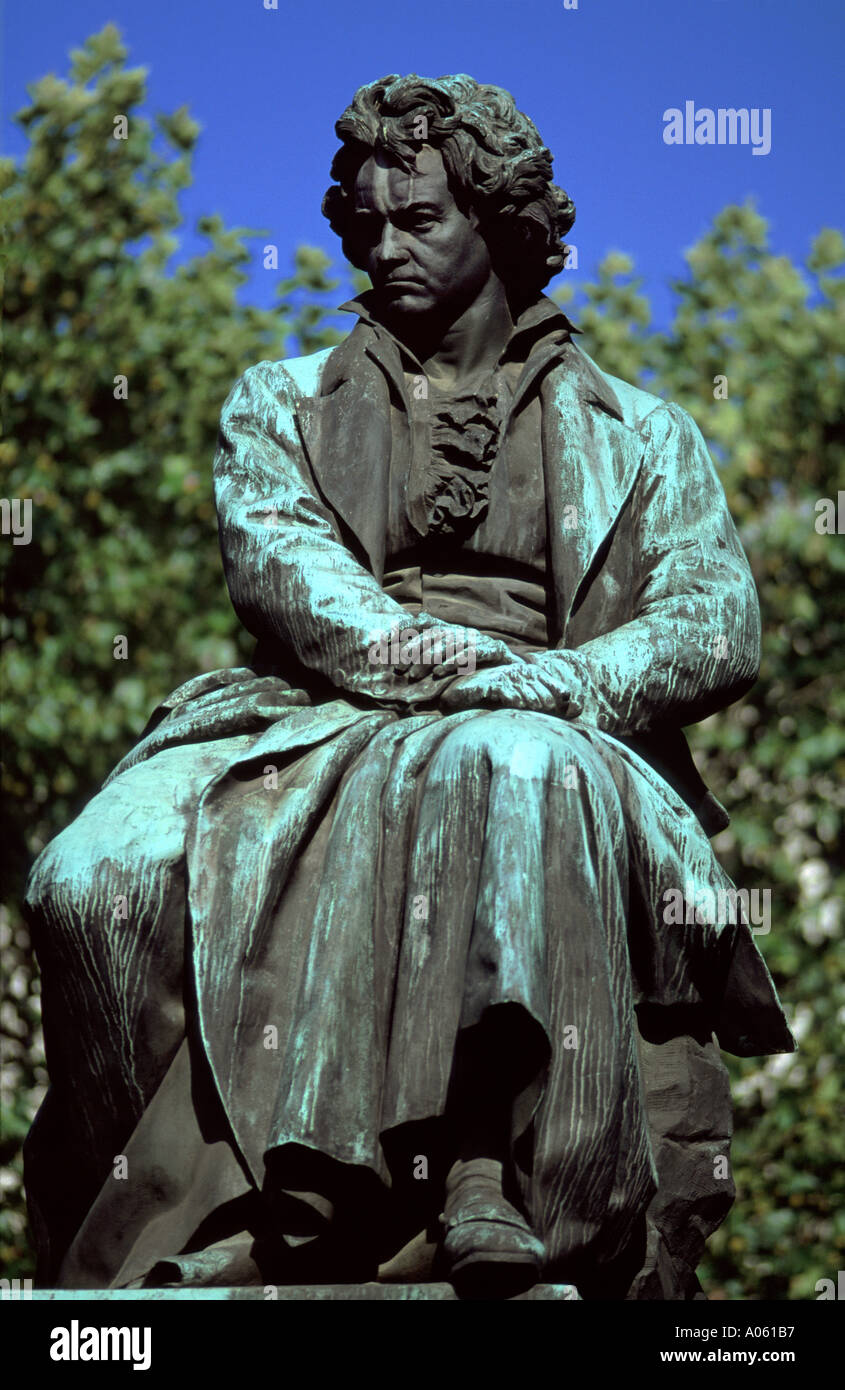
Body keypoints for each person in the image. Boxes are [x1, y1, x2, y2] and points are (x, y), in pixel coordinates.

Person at [24, 73, 793, 1301]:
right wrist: (438, 666)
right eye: (363, 226)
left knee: (500, 759)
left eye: (417, 220)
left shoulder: (642, 433)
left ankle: (467, 1169)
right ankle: (154, 1212)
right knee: (89, 876)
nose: (381, 247)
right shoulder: (277, 403)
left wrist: (553, 681)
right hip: (312, 719)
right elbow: (289, 577)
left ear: (499, 226)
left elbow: (713, 621)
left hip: (558, 723)